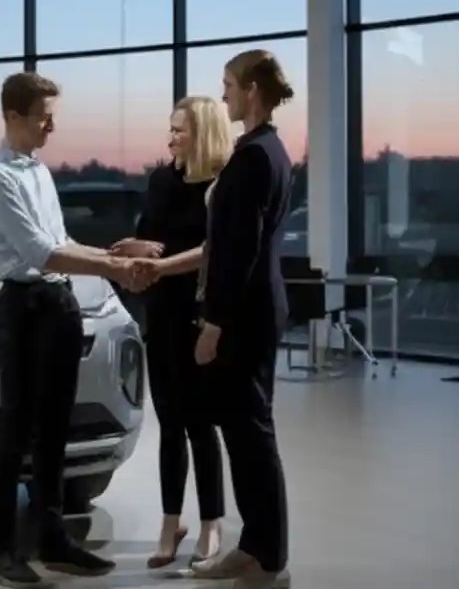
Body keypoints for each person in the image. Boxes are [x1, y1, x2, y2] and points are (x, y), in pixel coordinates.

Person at [0, 71, 154, 588]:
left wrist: (115, 253)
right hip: (24, 307)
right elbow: (41, 253)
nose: (51, 125)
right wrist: (115, 270)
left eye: (52, 115)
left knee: (56, 427)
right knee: (16, 430)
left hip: (59, 304)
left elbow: (62, 239)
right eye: (42, 117)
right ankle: (2, 549)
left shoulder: (38, 172)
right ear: (12, 116)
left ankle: (53, 540)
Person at [160, 49, 295, 589]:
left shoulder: (255, 157)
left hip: (244, 316)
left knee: (251, 435)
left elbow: (237, 250)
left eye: (230, 86)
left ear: (252, 91)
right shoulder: (269, 151)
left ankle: (266, 557)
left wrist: (214, 324)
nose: (225, 96)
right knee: (245, 433)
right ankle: (256, 547)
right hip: (256, 309)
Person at [110, 96, 234, 568]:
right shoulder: (162, 180)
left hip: (199, 316)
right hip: (160, 315)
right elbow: (147, 235)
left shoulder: (222, 186)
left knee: (201, 424)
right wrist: (138, 246)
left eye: (179, 130)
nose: (171, 139)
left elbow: (212, 251)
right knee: (170, 426)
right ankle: (170, 522)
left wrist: (159, 262)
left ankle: (211, 525)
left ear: (202, 133)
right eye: (170, 129)